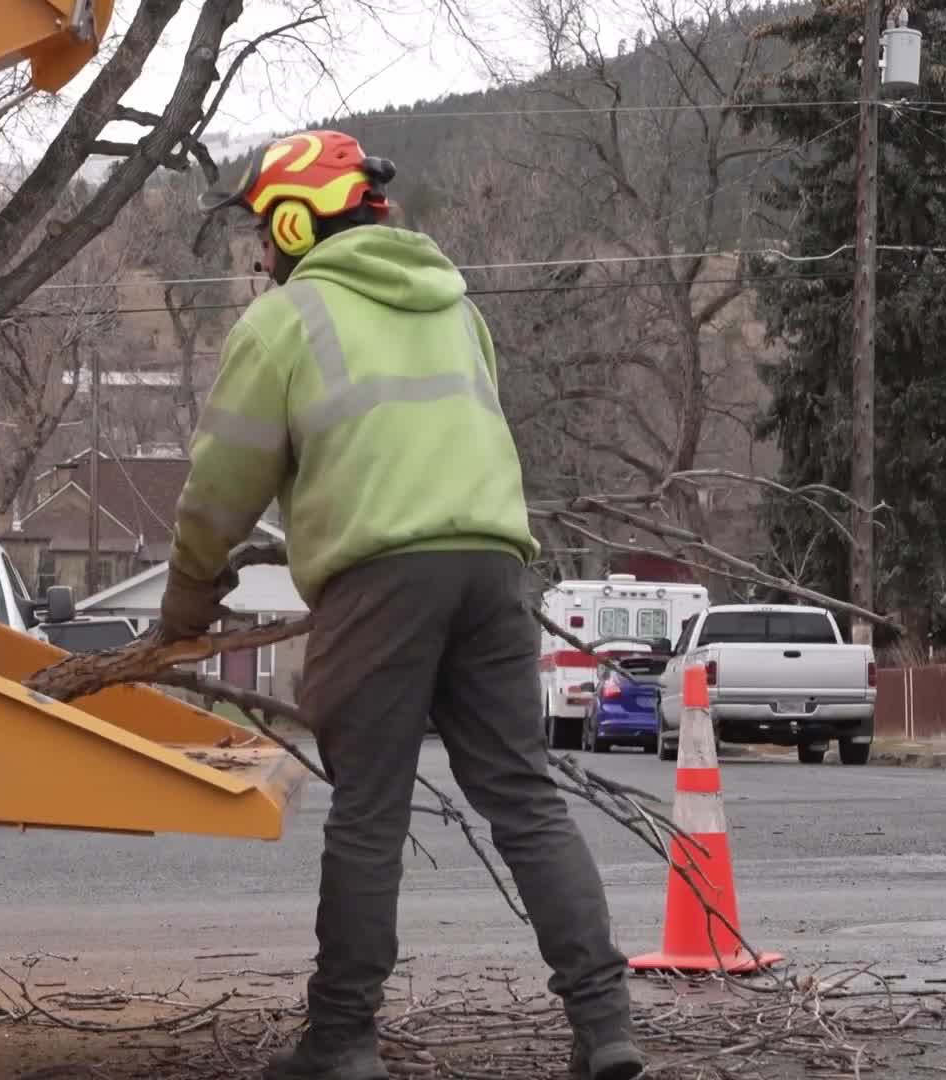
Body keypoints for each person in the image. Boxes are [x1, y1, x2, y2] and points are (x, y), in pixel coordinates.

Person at [156, 130, 646, 1080]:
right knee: (522, 796)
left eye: (263, 228)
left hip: (381, 581)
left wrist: (187, 600)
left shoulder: (289, 318)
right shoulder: (456, 306)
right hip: (492, 570)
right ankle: (605, 1024)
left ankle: (343, 1041)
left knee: (369, 811)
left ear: (295, 222)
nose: (259, 249)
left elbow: (220, 488)